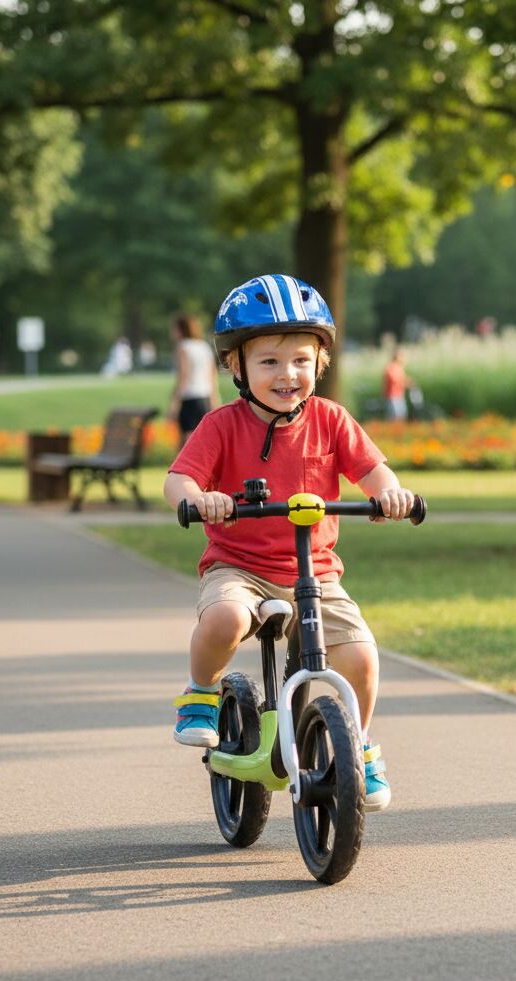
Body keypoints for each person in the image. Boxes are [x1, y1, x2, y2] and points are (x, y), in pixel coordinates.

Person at [164, 274, 415, 811]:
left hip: (315, 572)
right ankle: (201, 694)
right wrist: (200, 498)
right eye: (270, 362)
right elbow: (178, 480)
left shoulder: (331, 420)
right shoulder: (220, 425)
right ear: (237, 367)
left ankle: (360, 745)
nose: (287, 374)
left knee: (362, 657)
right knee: (226, 620)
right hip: (238, 565)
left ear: (320, 364)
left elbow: (374, 472)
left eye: (301, 360)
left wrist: (389, 496)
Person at [166, 314, 220, 450]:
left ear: (181, 329)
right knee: (204, 439)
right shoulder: (203, 346)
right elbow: (212, 375)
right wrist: (215, 399)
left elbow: (184, 376)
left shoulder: (183, 347)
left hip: (189, 398)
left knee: (186, 441)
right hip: (205, 397)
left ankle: (183, 471)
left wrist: (174, 403)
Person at [382, 347, 412, 422]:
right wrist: (405, 383)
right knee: (394, 417)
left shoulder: (399, 367)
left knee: (401, 416)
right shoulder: (391, 367)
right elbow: (394, 380)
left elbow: (403, 379)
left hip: (399, 396)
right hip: (392, 397)